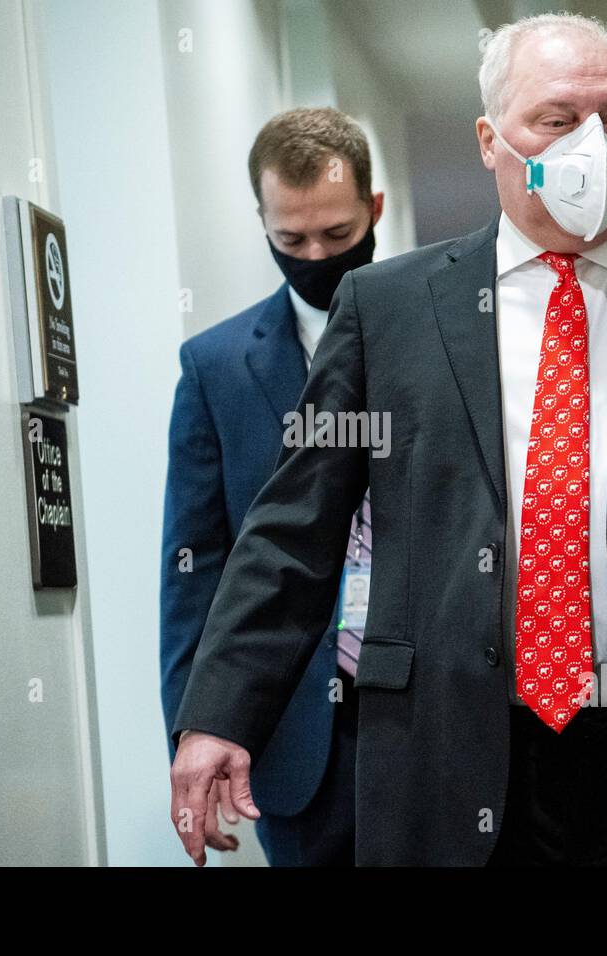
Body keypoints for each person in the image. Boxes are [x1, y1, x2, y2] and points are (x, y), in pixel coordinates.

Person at [168, 13, 607, 866]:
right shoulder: (386, 311)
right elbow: (294, 529)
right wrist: (219, 712)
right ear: (489, 140)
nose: (595, 144)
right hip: (449, 750)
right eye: (557, 119)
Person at [160, 107, 383, 866]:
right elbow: (195, 567)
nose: (316, 254)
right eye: (291, 240)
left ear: (375, 209)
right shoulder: (214, 366)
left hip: (438, 719)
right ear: (263, 223)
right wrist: (197, 728)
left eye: (338, 235)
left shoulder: (445, 332)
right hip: (294, 734)